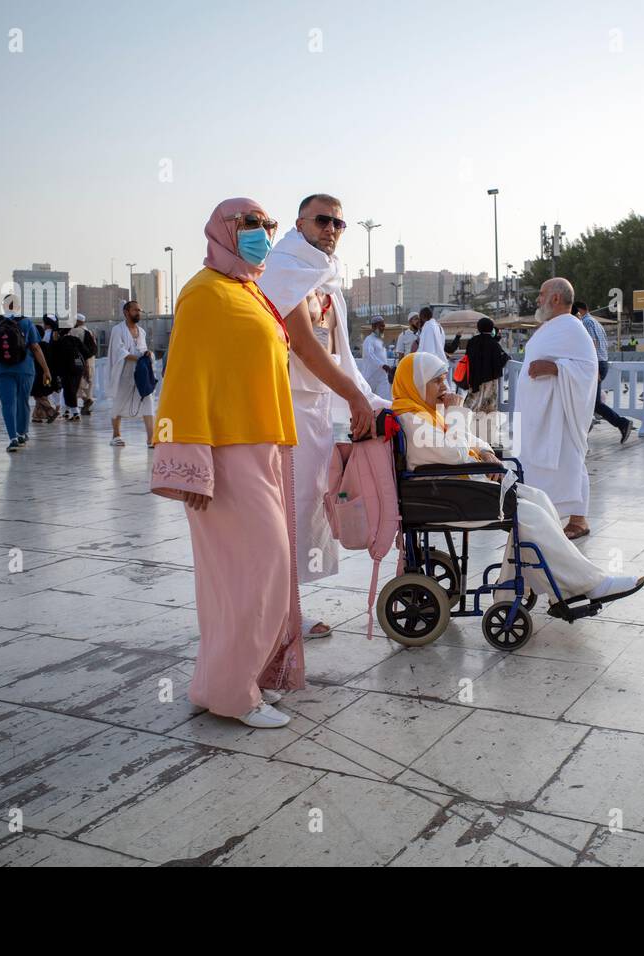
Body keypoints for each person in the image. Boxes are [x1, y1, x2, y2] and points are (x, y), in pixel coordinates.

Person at [150, 196, 305, 730]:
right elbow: (185, 380)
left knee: (249, 573)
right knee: (258, 569)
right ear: (222, 229)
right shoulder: (203, 294)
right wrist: (190, 463)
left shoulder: (249, 292)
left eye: (268, 224)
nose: (262, 231)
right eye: (250, 224)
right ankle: (235, 694)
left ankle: (224, 682)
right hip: (223, 451)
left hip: (262, 445)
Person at [394, 353, 644, 604]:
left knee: (539, 499)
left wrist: (485, 452)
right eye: (437, 381)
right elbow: (456, 454)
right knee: (528, 516)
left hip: (458, 489)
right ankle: (590, 584)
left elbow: (468, 441)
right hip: (448, 496)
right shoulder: (413, 419)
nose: (445, 387)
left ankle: (517, 589)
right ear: (415, 384)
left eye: (445, 379)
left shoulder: (426, 413)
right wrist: (457, 412)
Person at [258, 192, 385, 640]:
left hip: (311, 412)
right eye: (322, 221)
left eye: (338, 223)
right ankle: (274, 615)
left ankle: (287, 608)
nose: (331, 229)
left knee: (306, 504)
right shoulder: (284, 269)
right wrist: (352, 396)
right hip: (281, 406)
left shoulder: (325, 281)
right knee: (282, 509)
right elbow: (304, 346)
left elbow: (339, 354)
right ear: (299, 223)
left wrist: (369, 399)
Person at [514, 278, 598, 539]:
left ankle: (578, 519)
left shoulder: (573, 329)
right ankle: (545, 514)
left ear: (555, 298)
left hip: (559, 415)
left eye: (541, 294)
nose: (538, 299)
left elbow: (588, 369)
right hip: (537, 415)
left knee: (569, 461)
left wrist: (555, 368)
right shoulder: (551, 327)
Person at [0, 301, 52, 451]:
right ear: (18, 307)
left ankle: (13, 438)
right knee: (23, 401)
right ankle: (22, 434)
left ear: (3, 305)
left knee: (8, 404)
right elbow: (35, 347)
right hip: (24, 369)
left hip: (2, 369)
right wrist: (46, 370)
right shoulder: (26, 322)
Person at [574, 301, 632, 443]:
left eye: (575, 313)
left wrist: (594, 368)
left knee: (593, 403)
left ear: (580, 311)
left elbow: (592, 345)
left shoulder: (586, 323)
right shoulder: (596, 323)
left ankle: (622, 423)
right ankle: (583, 431)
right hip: (601, 363)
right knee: (590, 402)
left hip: (595, 365)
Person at [107, 300, 156, 447]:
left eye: (139, 310)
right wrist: (139, 358)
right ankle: (116, 436)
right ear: (126, 312)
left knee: (148, 401)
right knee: (119, 403)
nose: (138, 313)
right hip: (124, 372)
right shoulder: (118, 330)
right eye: (135, 310)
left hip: (140, 372)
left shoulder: (141, 332)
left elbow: (142, 348)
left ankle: (150, 439)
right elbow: (119, 351)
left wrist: (148, 354)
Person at [464, 316, 510, 417]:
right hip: (490, 379)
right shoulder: (494, 344)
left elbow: (468, 357)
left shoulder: (472, 341)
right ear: (491, 328)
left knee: (472, 403)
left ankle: (467, 424)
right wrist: (506, 357)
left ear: (478, 328)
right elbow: (498, 364)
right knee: (488, 405)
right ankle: (485, 428)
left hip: (474, 378)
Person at [52, 315, 88, 420]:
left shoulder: (58, 343)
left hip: (66, 369)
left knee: (69, 390)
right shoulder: (75, 340)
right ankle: (68, 411)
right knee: (73, 389)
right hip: (78, 368)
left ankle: (76, 413)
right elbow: (87, 352)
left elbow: (53, 357)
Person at [68, 314, 97, 414]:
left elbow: (72, 347)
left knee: (75, 383)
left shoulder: (74, 331)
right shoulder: (90, 332)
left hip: (80, 360)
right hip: (91, 360)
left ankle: (86, 400)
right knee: (89, 384)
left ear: (78, 321)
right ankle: (86, 408)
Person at [359, 317, 393, 400]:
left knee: (384, 400)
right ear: (373, 327)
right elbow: (370, 355)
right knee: (368, 401)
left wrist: (386, 368)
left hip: (382, 377)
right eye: (380, 326)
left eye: (383, 326)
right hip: (370, 376)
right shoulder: (369, 340)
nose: (383, 328)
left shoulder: (380, 340)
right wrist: (383, 365)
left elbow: (382, 357)